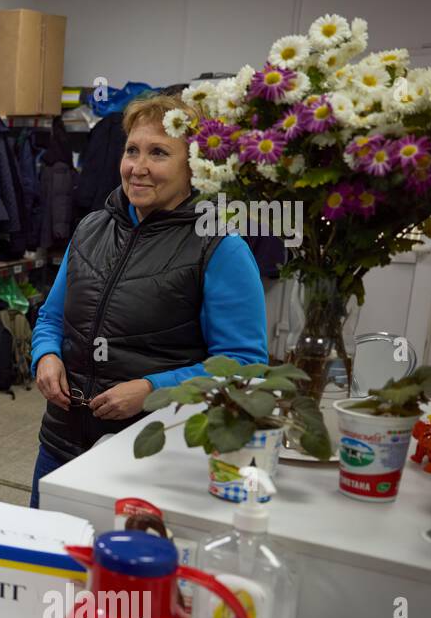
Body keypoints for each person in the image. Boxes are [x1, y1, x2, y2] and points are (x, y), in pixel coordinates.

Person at [28, 93, 267, 508]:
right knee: (44, 564)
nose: (138, 167)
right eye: (132, 150)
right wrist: (45, 356)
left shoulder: (219, 245)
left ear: (194, 166)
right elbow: (51, 317)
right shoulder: (90, 229)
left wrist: (152, 389)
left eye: (158, 152)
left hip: (148, 455)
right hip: (60, 445)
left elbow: (243, 365)